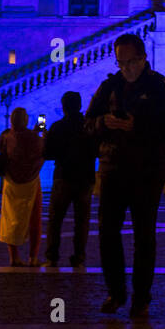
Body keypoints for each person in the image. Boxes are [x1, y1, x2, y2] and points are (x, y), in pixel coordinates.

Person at [84, 32, 165, 318]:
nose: (126, 68)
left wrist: (137, 126)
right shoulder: (109, 86)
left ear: (143, 59)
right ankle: (116, 292)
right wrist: (104, 122)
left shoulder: (161, 85)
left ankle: (141, 298)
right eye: (121, 63)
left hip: (147, 171)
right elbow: (87, 124)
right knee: (107, 233)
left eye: (130, 62)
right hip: (113, 168)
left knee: (144, 235)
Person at [43, 91, 98, 267]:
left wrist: (46, 141)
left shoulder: (58, 127)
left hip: (63, 177)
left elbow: (48, 154)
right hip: (85, 177)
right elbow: (96, 151)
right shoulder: (88, 126)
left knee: (55, 220)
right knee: (82, 222)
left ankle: (52, 257)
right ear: (80, 106)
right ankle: (79, 257)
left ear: (64, 106)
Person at [0, 108, 45, 266]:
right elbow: (43, 151)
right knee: (34, 220)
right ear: (25, 119)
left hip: (11, 182)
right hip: (31, 182)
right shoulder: (33, 137)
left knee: (11, 218)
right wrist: (40, 132)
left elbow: (4, 150)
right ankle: (33, 257)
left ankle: (14, 257)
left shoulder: (5, 136)